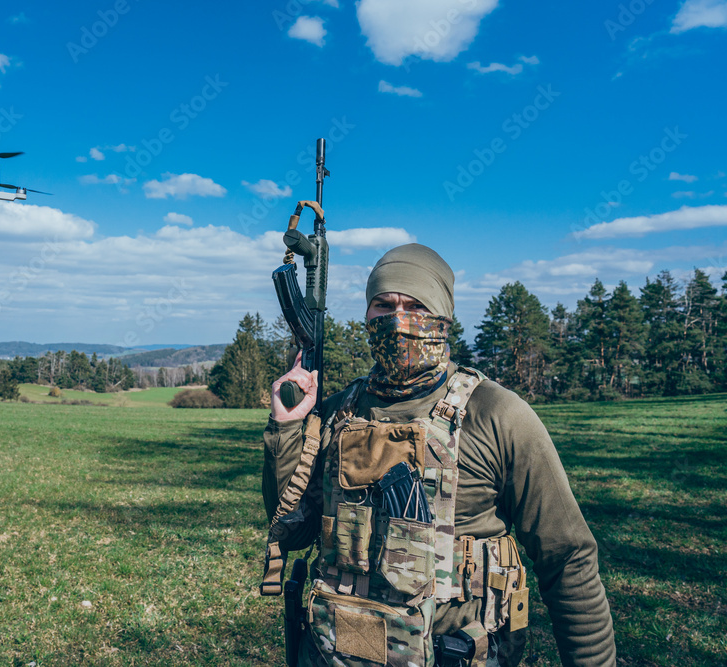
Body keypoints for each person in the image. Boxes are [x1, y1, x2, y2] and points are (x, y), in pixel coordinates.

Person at [262, 244, 615, 667]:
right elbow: (295, 534)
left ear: (444, 318)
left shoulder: (498, 414)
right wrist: (287, 427)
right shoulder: (339, 411)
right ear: (367, 315)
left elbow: (568, 558)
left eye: (416, 305)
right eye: (384, 304)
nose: (398, 319)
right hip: (335, 651)